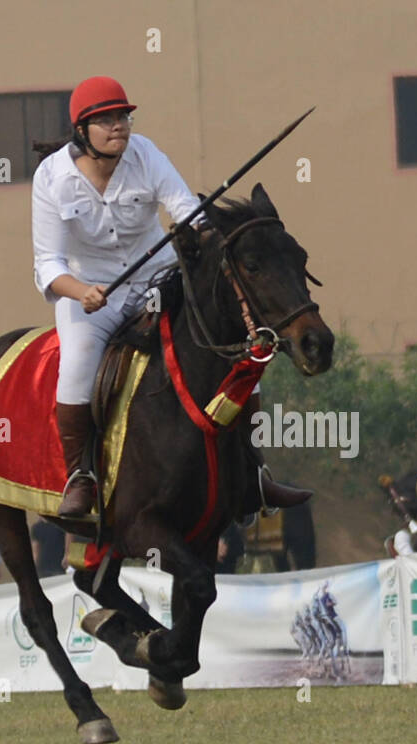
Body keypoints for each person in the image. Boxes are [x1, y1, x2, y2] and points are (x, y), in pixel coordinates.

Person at [32, 75, 306, 520]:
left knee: (234, 346)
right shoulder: (52, 178)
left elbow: (187, 212)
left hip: (157, 279)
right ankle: (79, 475)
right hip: (90, 293)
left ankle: (254, 469)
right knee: (78, 361)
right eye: (106, 120)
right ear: (81, 131)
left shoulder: (147, 155)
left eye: (123, 116)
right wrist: (81, 292)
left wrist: (210, 234)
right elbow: (48, 263)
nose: (119, 126)